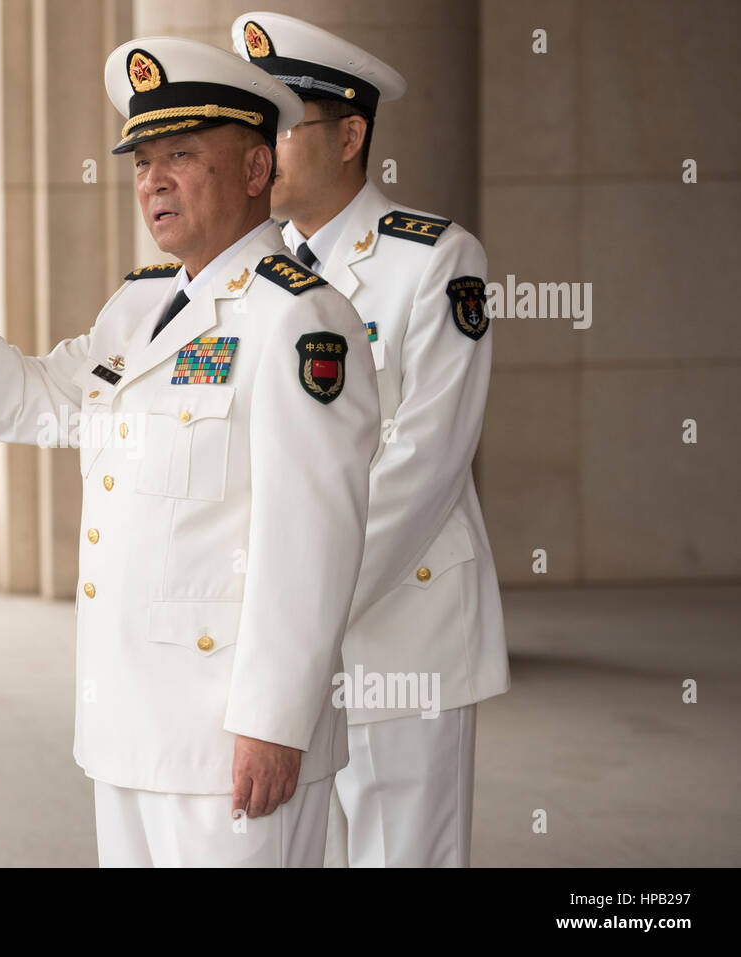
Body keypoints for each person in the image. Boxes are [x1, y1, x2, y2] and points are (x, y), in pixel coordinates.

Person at [0, 36, 379, 867]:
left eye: (181, 156)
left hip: (229, 745)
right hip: (127, 732)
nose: (152, 180)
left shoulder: (301, 320)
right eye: (141, 161)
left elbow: (312, 538)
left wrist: (274, 721)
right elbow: (36, 403)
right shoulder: (139, 306)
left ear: (257, 169)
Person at [234, 12, 510, 867]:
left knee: (404, 855)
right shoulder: (253, 276)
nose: (263, 151)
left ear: (351, 134)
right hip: (282, 631)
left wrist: (303, 604)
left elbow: (426, 458)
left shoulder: (436, 260)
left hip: (400, 620)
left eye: (282, 127)